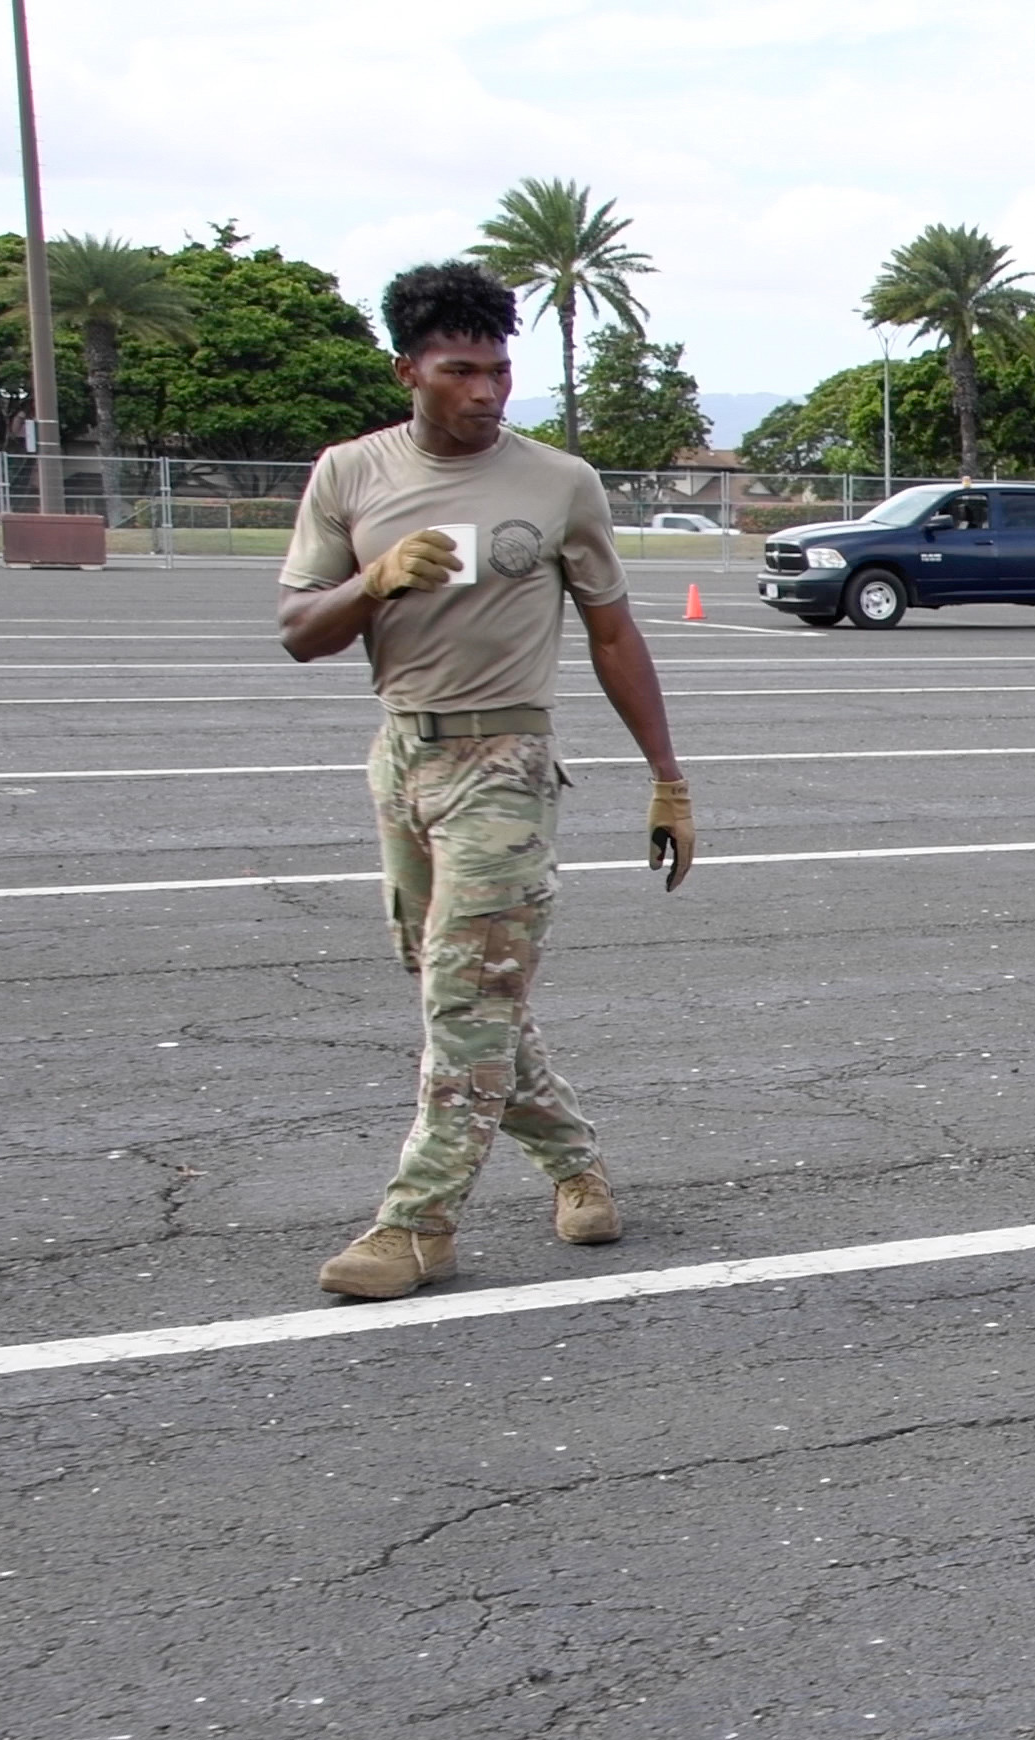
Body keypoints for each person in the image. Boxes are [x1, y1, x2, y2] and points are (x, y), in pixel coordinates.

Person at [277, 261, 698, 1301]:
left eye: (499, 371)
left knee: (469, 998)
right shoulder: (350, 475)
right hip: (401, 756)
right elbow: (298, 634)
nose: (486, 392)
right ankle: (574, 1163)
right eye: (460, 371)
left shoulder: (559, 483)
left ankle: (413, 1226)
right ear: (406, 372)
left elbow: (612, 632)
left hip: (507, 763)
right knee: (462, 988)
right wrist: (374, 581)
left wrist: (667, 777)